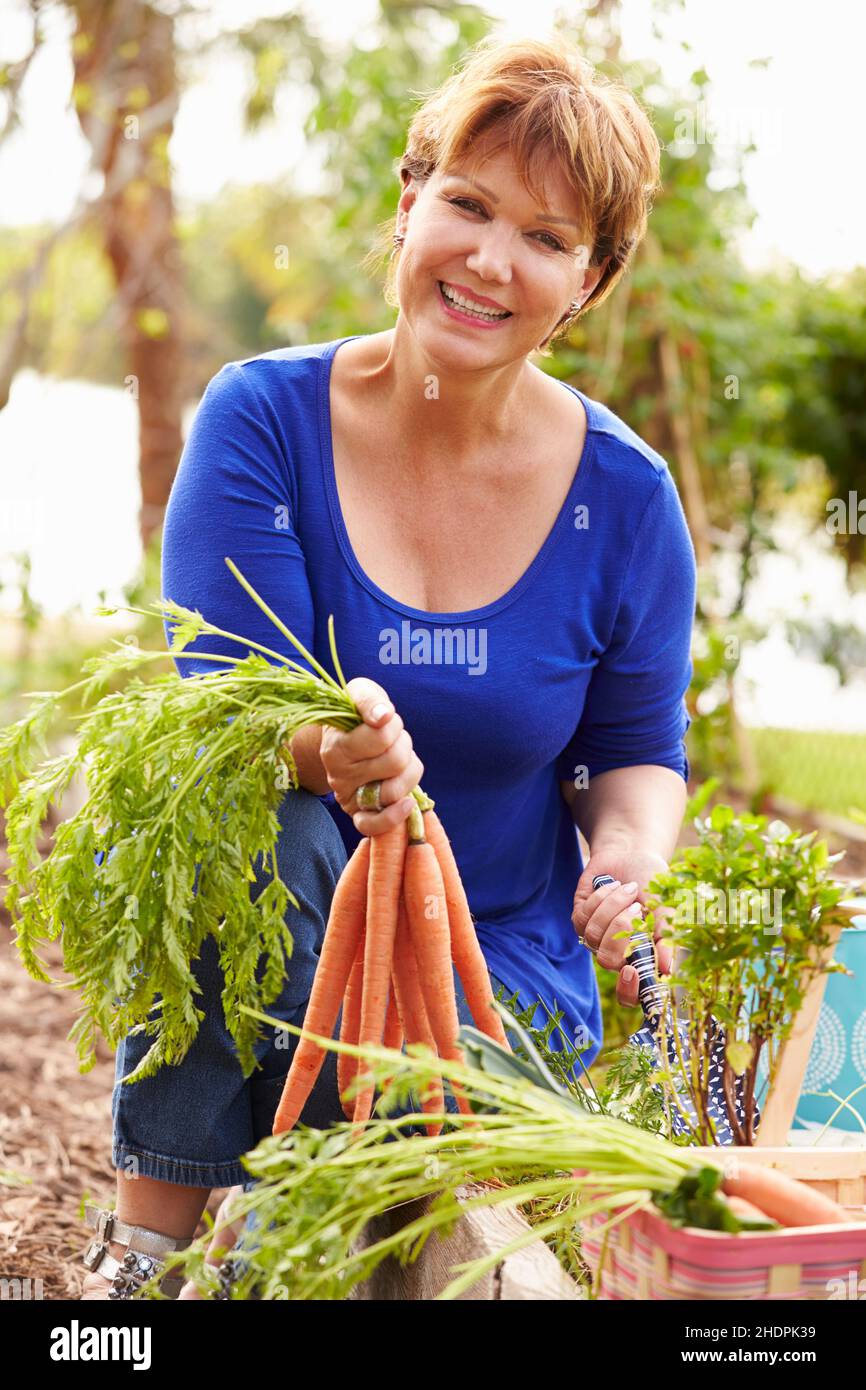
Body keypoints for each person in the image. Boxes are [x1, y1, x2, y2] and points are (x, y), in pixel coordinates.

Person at [81, 33, 695, 1299]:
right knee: (247, 825)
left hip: (490, 972)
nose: (488, 259)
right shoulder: (262, 423)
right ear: (408, 203)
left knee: (390, 1162)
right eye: (466, 205)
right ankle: (143, 1260)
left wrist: (629, 857)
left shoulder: (624, 500)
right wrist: (329, 749)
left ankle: (278, 1225)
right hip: (286, 921)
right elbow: (221, 715)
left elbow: (634, 754)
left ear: (588, 280)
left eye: (545, 236)